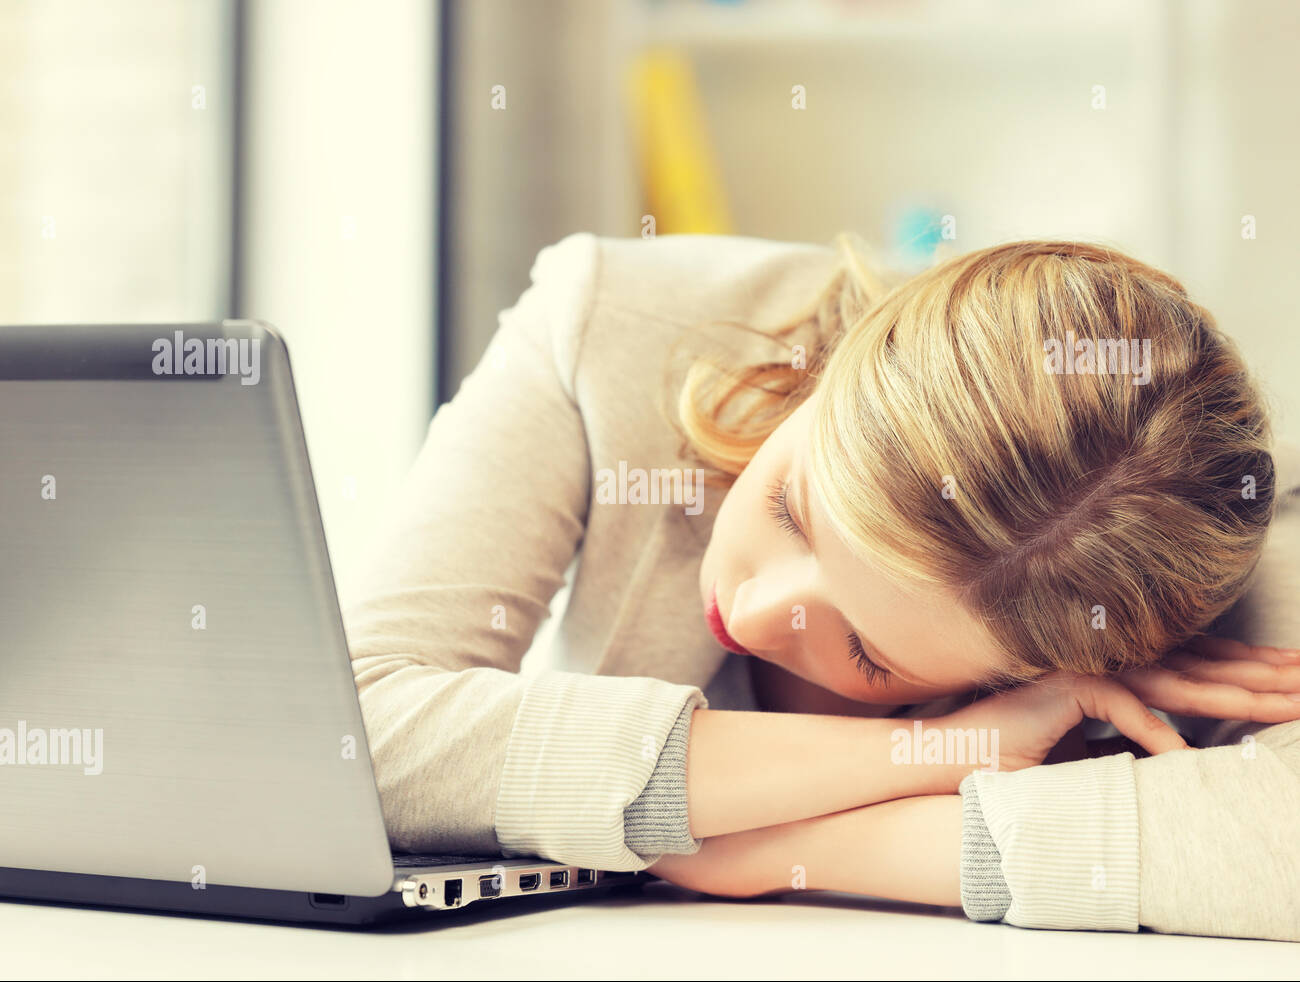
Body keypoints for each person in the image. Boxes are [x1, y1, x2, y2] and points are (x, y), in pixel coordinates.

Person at [343, 231, 1300, 940]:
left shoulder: (1202, 542)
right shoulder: (610, 323)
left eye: (866, 655)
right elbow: (350, 730)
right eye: (793, 506)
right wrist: (936, 750)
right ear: (846, 363)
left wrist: (779, 856)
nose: (756, 611)